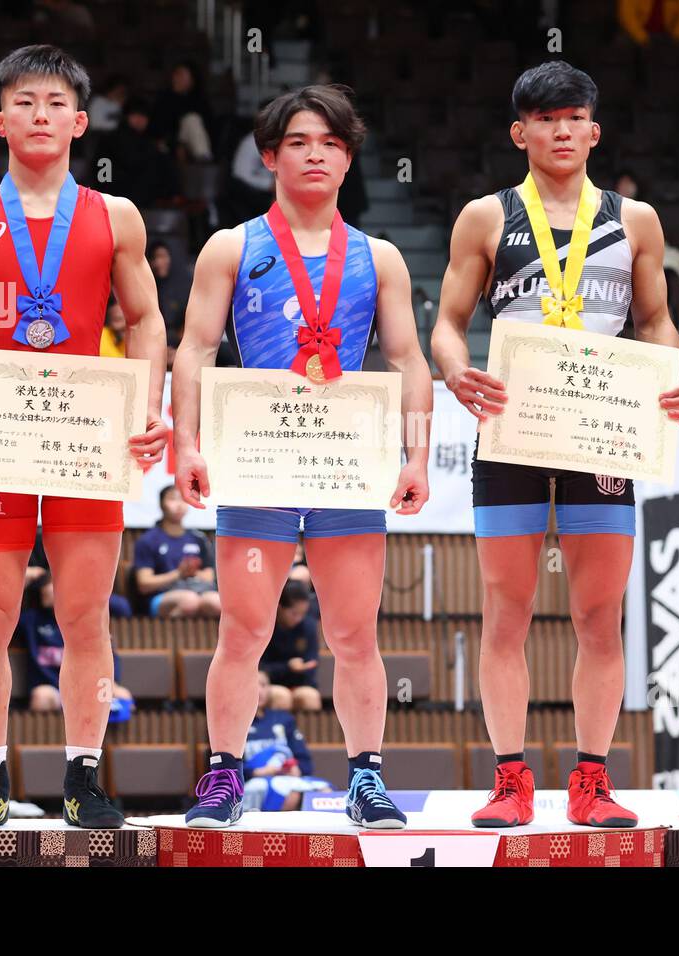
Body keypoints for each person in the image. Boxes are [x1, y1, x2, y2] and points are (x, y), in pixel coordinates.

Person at [0, 44, 170, 829]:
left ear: (80, 121)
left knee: (87, 615)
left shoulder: (114, 215)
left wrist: (148, 403)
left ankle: (84, 776)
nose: (39, 114)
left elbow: (145, 317)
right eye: (24, 102)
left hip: (85, 437)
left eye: (54, 102)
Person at [431, 61, 679, 829]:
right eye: (545, 119)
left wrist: (676, 374)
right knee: (505, 611)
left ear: (594, 130)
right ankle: (511, 777)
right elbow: (448, 323)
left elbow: (654, 321)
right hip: (513, 427)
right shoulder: (486, 217)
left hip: (604, 433)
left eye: (574, 117)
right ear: (521, 132)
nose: (561, 130)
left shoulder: (635, 220)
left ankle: (592, 778)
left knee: (598, 615)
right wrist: (456, 370)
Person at [171, 84, 433, 829]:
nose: (314, 154)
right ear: (269, 157)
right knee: (244, 632)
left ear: (348, 159)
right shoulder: (233, 245)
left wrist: (416, 457)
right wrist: (186, 442)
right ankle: (224, 777)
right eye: (297, 142)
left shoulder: (378, 258)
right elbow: (192, 348)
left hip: (345, 466)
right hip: (257, 463)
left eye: (329, 143)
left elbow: (409, 360)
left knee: (354, 634)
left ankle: (366, 778)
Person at [20, 572, 132, 714]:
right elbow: (5, 616)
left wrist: (112, 683)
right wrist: (23, 582)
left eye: (51, 584)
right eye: (44, 587)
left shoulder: (87, 618)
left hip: (85, 690)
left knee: (122, 695)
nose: (45, 589)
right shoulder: (32, 619)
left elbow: (123, 609)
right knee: (42, 696)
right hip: (52, 689)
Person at [243, 671, 332, 812]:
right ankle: (273, 833)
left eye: (263, 685)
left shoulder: (283, 719)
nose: (259, 690)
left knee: (324, 792)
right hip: (251, 781)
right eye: (253, 685)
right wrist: (255, 773)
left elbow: (304, 760)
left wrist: (296, 770)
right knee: (291, 795)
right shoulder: (235, 724)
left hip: (284, 778)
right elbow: (223, 767)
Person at [132, 484, 221, 619]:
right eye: (172, 499)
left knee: (218, 603)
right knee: (189, 601)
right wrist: (178, 574)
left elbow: (209, 576)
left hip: (199, 590)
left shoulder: (198, 538)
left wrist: (191, 571)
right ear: (161, 504)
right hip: (162, 595)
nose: (179, 504)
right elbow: (144, 584)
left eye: (183, 499)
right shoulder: (148, 540)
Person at [260, 580, 322, 712]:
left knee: (310, 698)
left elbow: (311, 663)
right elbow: (260, 667)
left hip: (300, 682)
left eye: (302, 614)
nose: (298, 618)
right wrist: (288, 667)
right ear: (280, 607)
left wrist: (302, 669)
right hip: (271, 682)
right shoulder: (265, 627)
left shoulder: (308, 626)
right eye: (294, 613)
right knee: (281, 697)